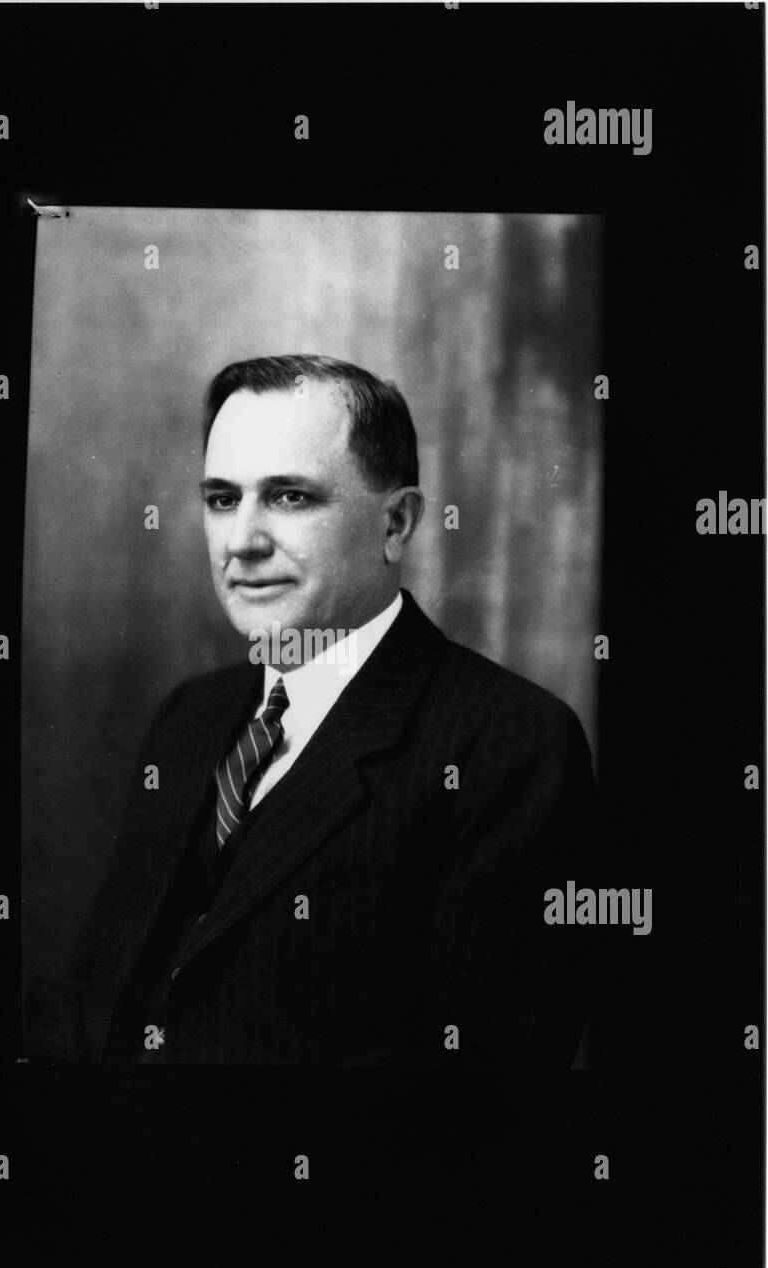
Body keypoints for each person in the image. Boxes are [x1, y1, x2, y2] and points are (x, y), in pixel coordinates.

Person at [30, 354, 597, 1066]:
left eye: (290, 497)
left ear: (395, 523)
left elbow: (470, 1097)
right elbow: (95, 998)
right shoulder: (190, 717)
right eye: (220, 498)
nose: (241, 541)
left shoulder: (508, 743)